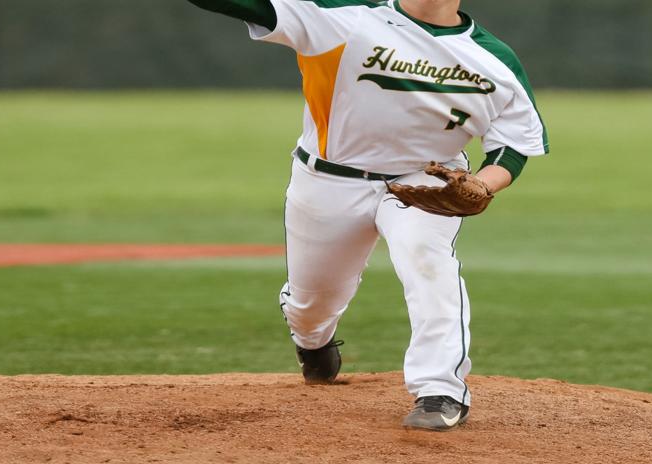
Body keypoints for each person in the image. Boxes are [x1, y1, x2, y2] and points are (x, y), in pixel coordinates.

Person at [187, 0, 548, 430]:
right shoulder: (343, 18)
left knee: (427, 261)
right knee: (310, 302)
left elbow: (513, 144)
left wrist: (485, 183)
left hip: (426, 180)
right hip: (328, 179)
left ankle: (440, 390)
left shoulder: (494, 60)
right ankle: (313, 340)